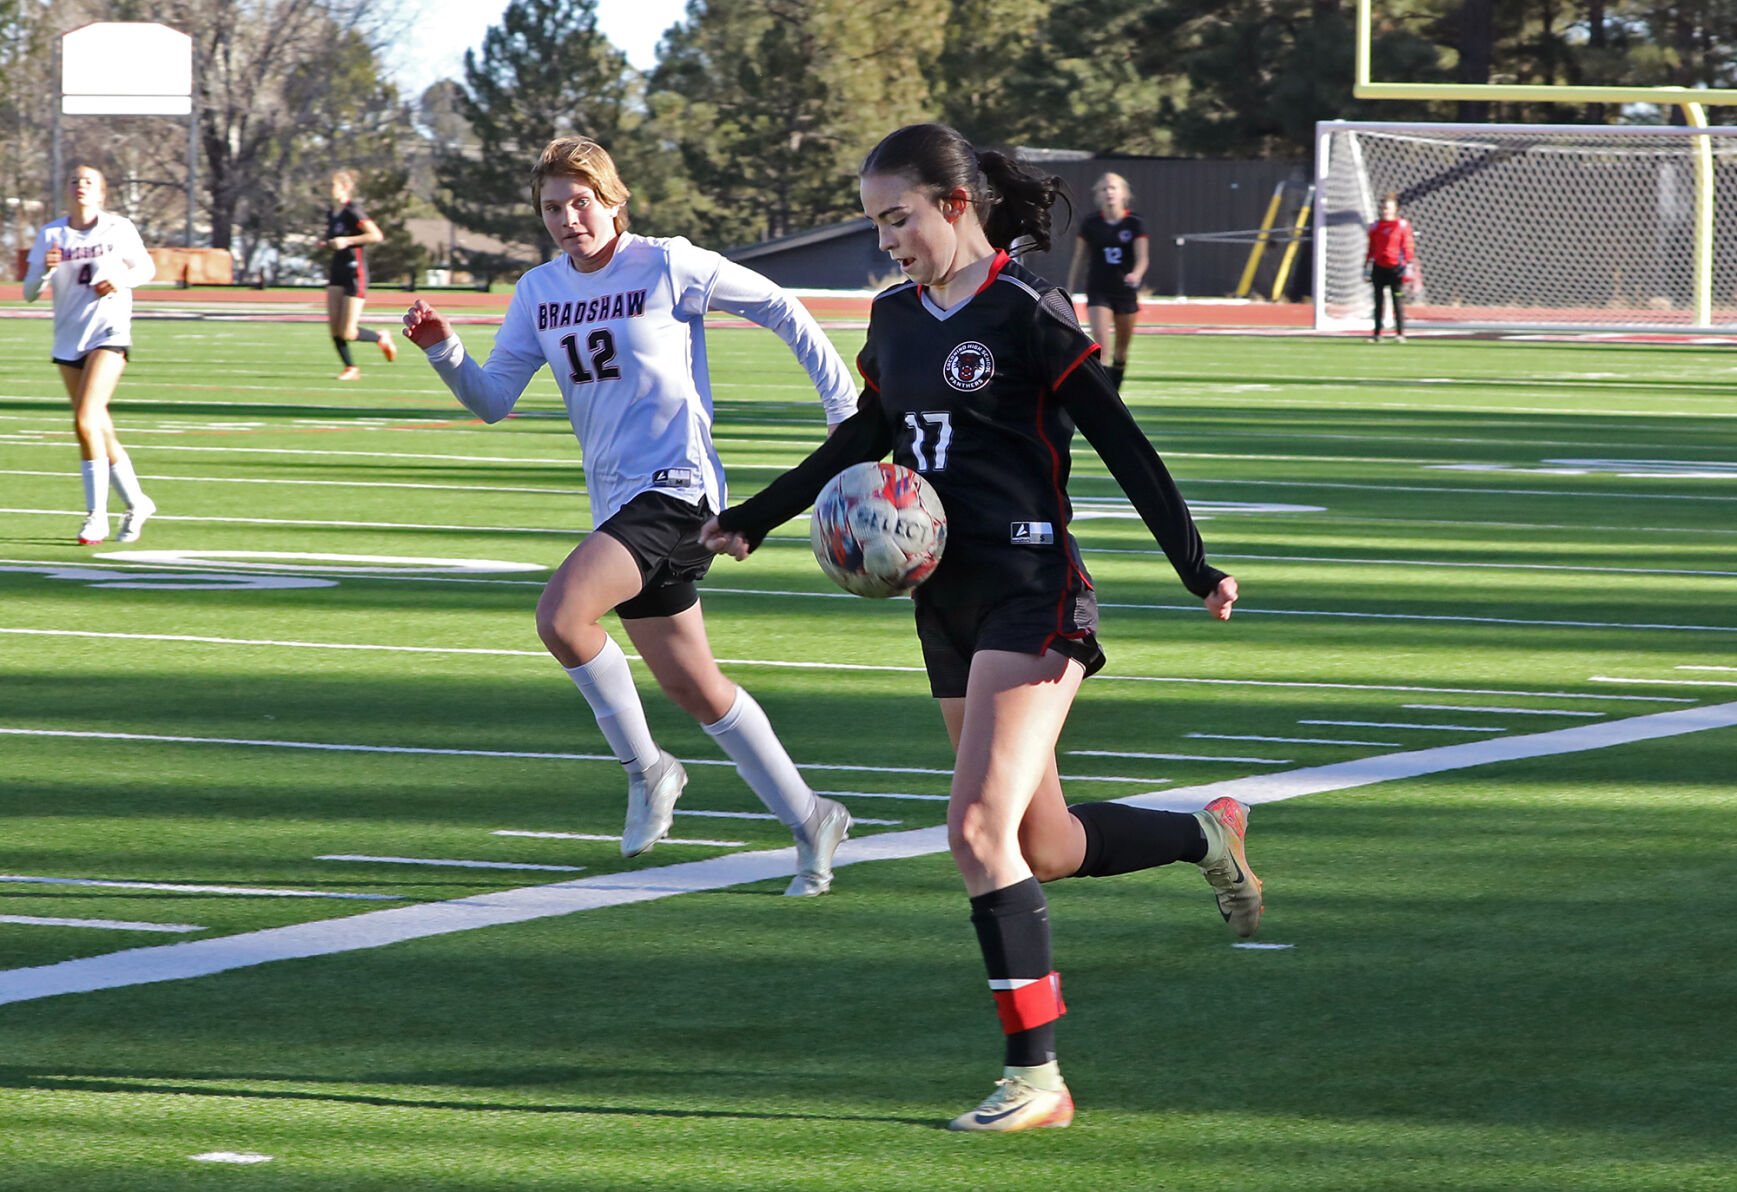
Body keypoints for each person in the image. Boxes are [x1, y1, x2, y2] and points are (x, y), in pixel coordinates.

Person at [701, 124, 1256, 1132]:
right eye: (877, 223)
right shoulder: (895, 318)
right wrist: (756, 515)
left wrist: (1194, 564)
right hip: (945, 602)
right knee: (1041, 843)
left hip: (1034, 591)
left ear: (955, 205)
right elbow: (866, 435)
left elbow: (1126, 446)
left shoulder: (1028, 311)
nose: (888, 241)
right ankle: (1204, 835)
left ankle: (1036, 1078)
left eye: (899, 217)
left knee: (973, 832)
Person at [401, 136, 858, 895]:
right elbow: (492, 402)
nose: (567, 218)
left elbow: (778, 305)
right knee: (695, 686)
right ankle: (813, 817)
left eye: (581, 201)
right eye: (552, 206)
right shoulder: (538, 291)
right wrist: (444, 349)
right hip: (620, 501)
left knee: (561, 616)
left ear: (613, 201)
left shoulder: (666, 262)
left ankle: (649, 770)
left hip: (677, 491)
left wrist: (842, 406)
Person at [23, 164, 157, 546]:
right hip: (69, 338)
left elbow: (146, 268)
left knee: (84, 419)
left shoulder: (118, 228)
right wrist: (45, 273)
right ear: (66, 191)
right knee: (99, 426)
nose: (80, 186)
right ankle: (137, 502)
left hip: (108, 332)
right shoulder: (52, 233)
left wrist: (121, 279)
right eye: (74, 181)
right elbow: (29, 292)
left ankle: (96, 515)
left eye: (89, 182)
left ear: (101, 193)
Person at [1067, 172, 1147, 391]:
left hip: (1125, 291)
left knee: (1122, 350)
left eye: (1113, 188)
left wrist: (1136, 274)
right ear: (1098, 195)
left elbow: (1143, 258)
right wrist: (1070, 289)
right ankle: (1103, 397)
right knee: (1102, 346)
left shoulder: (1134, 223)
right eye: (1104, 189)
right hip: (1098, 289)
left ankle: (1115, 393)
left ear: (1124, 193)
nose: (1109, 192)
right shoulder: (1091, 223)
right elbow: (1079, 257)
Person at [323, 168, 396, 380]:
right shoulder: (332, 213)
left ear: (344, 187)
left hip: (355, 273)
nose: (329, 190)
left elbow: (376, 235)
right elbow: (335, 239)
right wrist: (326, 244)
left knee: (348, 331)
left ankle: (380, 337)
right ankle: (351, 368)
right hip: (336, 271)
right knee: (334, 328)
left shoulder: (352, 210)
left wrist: (347, 241)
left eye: (332, 186)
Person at [1364, 191, 1416, 343]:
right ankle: (1377, 334)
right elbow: (1371, 248)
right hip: (1379, 268)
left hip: (1396, 268)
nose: (1385, 211)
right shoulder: (1375, 226)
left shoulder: (1402, 225)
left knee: (1397, 301)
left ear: (1395, 209)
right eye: (1384, 208)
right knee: (1378, 302)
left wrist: (1408, 265)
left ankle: (1400, 333)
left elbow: (1407, 246)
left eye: (1388, 208)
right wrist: (1366, 266)